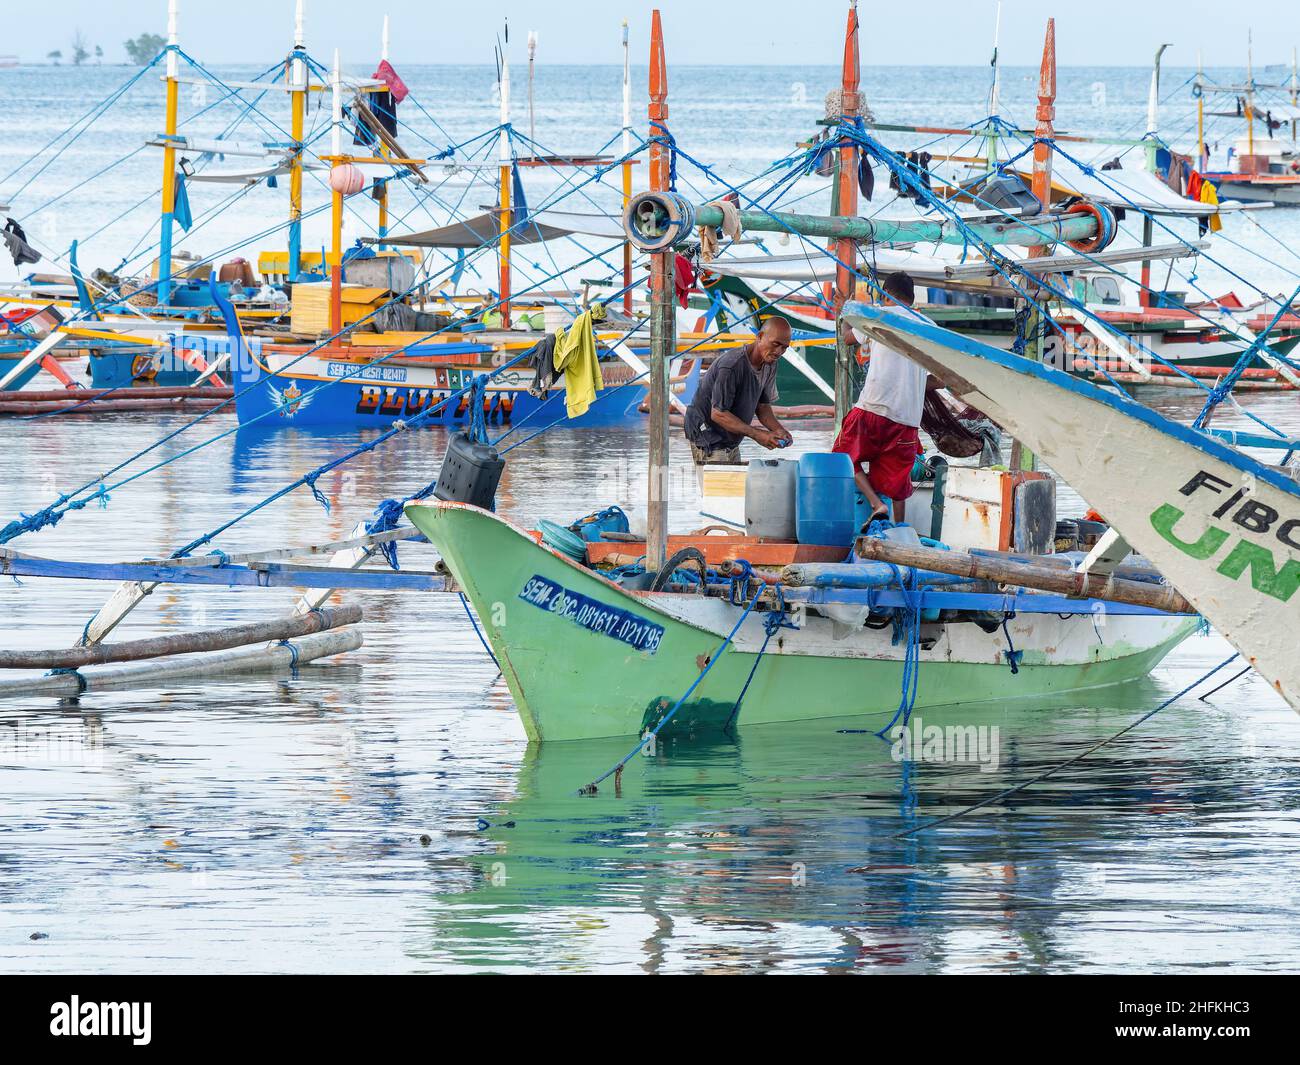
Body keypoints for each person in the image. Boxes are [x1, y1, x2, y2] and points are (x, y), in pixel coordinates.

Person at [833, 270, 943, 523]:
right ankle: (900, 529)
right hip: (907, 420)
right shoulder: (929, 326)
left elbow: (848, 338)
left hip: (873, 408)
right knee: (898, 480)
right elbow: (940, 378)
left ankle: (876, 504)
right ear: (912, 298)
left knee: (842, 456)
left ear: (886, 295)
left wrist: (845, 313)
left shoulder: (881, 315)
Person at [683, 317, 794, 464]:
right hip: (707, 435)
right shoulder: (731, 366)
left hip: (731, 438)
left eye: (784, 347)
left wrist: (779, 431)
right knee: (718, 486)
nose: (779, 352)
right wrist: (757, 434)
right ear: (760, 337)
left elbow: (763, 407)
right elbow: (718, 414)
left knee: (734, 484)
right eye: (775, 344)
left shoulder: (770, 363)